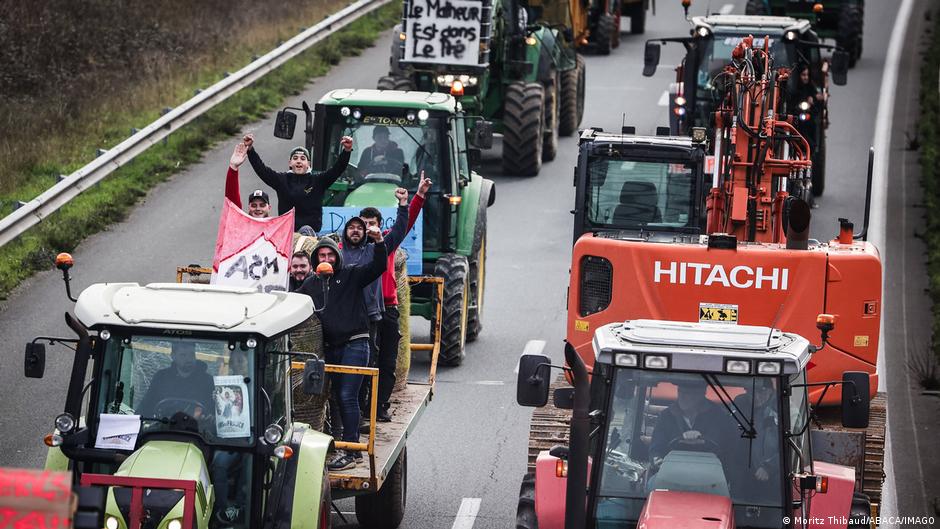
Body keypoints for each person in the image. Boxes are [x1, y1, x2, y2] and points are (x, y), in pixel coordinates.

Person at [295, 230, 388, 471]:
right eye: (321, 255)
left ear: (337, 256)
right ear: (315, 260)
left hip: (356, 343)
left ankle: (352, 450)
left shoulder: (351, 275)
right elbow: (293, 302)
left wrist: (378, 242)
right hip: (330, 348)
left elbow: (378, 266)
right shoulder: (312, 284)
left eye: (330, 255)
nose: (326, 259)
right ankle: (339, 444)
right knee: (336, 397)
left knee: (347, 395)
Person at [359, 176, 432, 422]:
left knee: (386, 362)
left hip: (388, 309)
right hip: (360, 312)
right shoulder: (350, 248)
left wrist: (413, 199)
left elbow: (406, 223)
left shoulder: (387, 244)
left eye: (373, 224)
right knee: (362, 362)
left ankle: (380, 406)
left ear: (381, 227)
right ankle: (360, 408)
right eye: (364, 224)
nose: (369, 228)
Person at [243, 133, 354, 231]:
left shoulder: (318, 181)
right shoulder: (281, 180)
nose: (299, 161)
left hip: (311, 235)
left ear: (308, 164)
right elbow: (261, 169)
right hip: (287, 234)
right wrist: (250, 150)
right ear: (290, 163)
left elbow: (337, 169)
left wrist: (347, 151)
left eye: (302, 158)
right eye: (295, 158)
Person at [648, 378, 727, 463]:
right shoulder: (666, 416)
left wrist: (702, 439)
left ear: (702, 394)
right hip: (672, 471)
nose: (682, 397)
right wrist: (657, 460)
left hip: (711, 471)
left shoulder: (719, 417)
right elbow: (656, 448)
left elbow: (727, 448)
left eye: (688, 393)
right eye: (680, 391)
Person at [138, 342, 215, 427]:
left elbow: (213, 410)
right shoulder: (161, 378)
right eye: (183, 355)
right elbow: (146, 405)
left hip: (197, 433)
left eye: (192, 354)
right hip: (164, 430)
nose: (189, 359)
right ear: (173, 356)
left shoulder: (207, 381)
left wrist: (209, 417)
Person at [225, 142, 272, 219]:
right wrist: (233, 167)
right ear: (249, 208)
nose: (258, 209)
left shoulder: (277, 228)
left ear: (269, 208)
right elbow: (232, 203)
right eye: (254, 205)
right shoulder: (242, 225)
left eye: (262, 205)